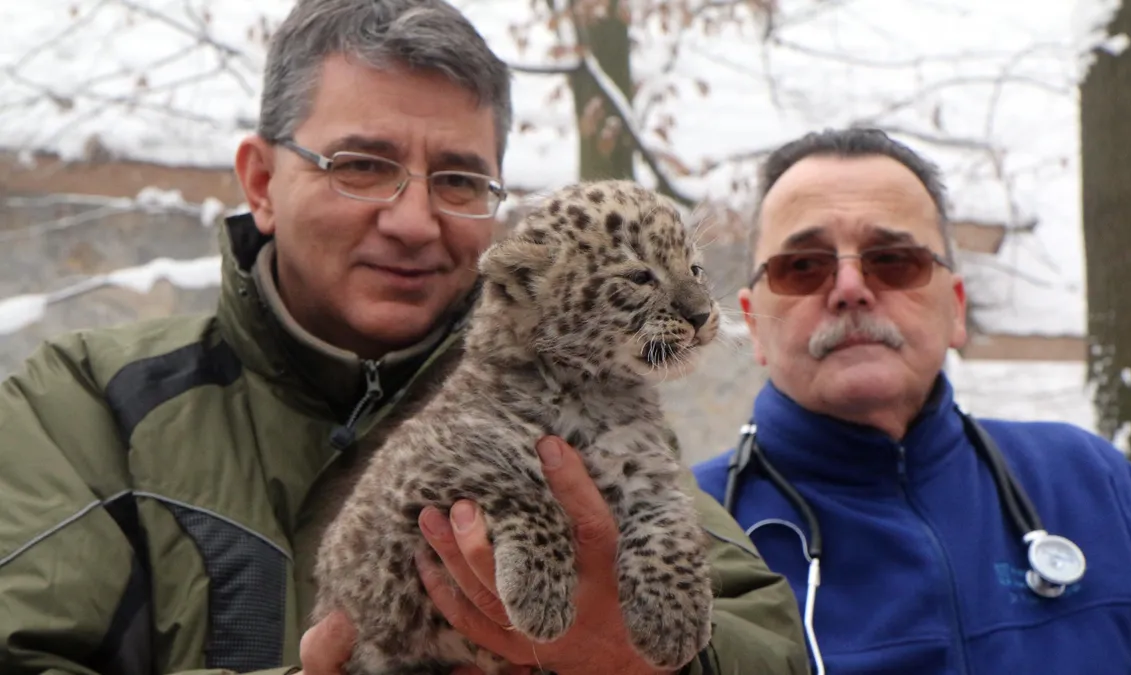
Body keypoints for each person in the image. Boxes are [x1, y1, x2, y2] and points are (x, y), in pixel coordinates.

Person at [0, 1, 811, 674]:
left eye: (459, 180)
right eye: (359, 164)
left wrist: (645, 662)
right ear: (260, 183)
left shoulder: (589, 388)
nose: (414, 220)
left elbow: (771, 644)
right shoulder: (79, 404)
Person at [692, 127, 1131, 675]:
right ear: (753, 323)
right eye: (804, 267)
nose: (849, 287)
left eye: (892, 259)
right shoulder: (678, 531)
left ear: (956, 307)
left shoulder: (1089, 487)